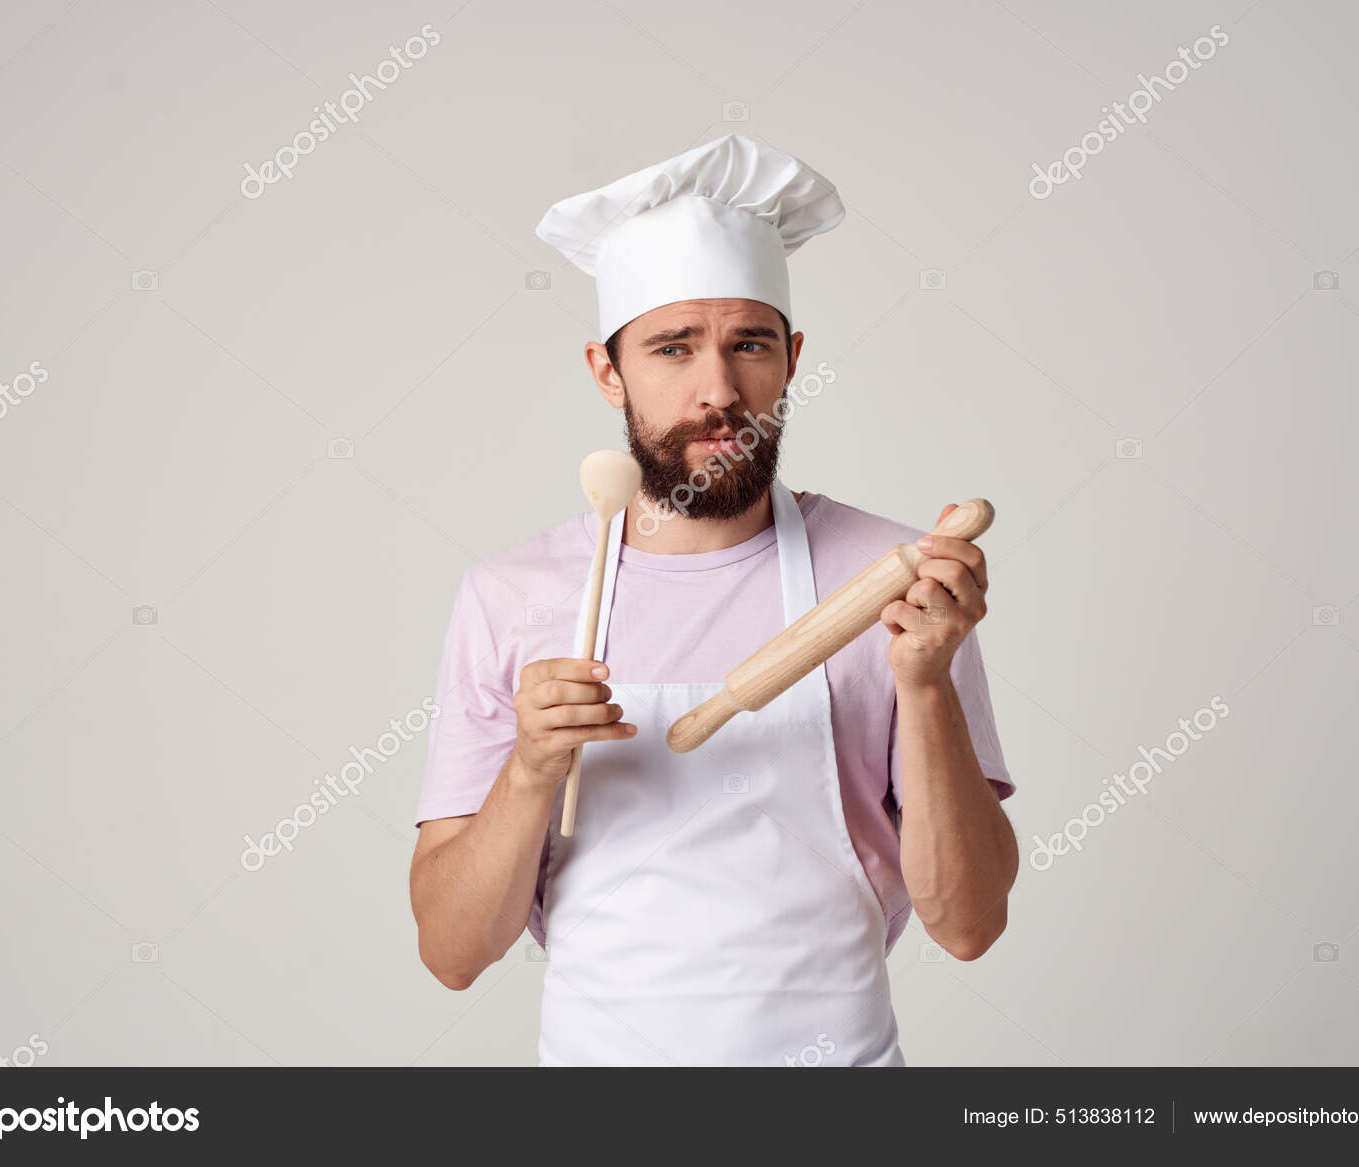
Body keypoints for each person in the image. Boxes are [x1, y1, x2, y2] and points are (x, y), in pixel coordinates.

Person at [409, 134, 1018, 1066]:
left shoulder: (893, 581)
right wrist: (531, 768)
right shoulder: (514, 596)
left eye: (750, 345)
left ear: (792, 357)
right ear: (606, 370)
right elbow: (453, 953)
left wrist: (926, 686)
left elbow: (970, 924)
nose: (718, 391)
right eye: (672, 347)